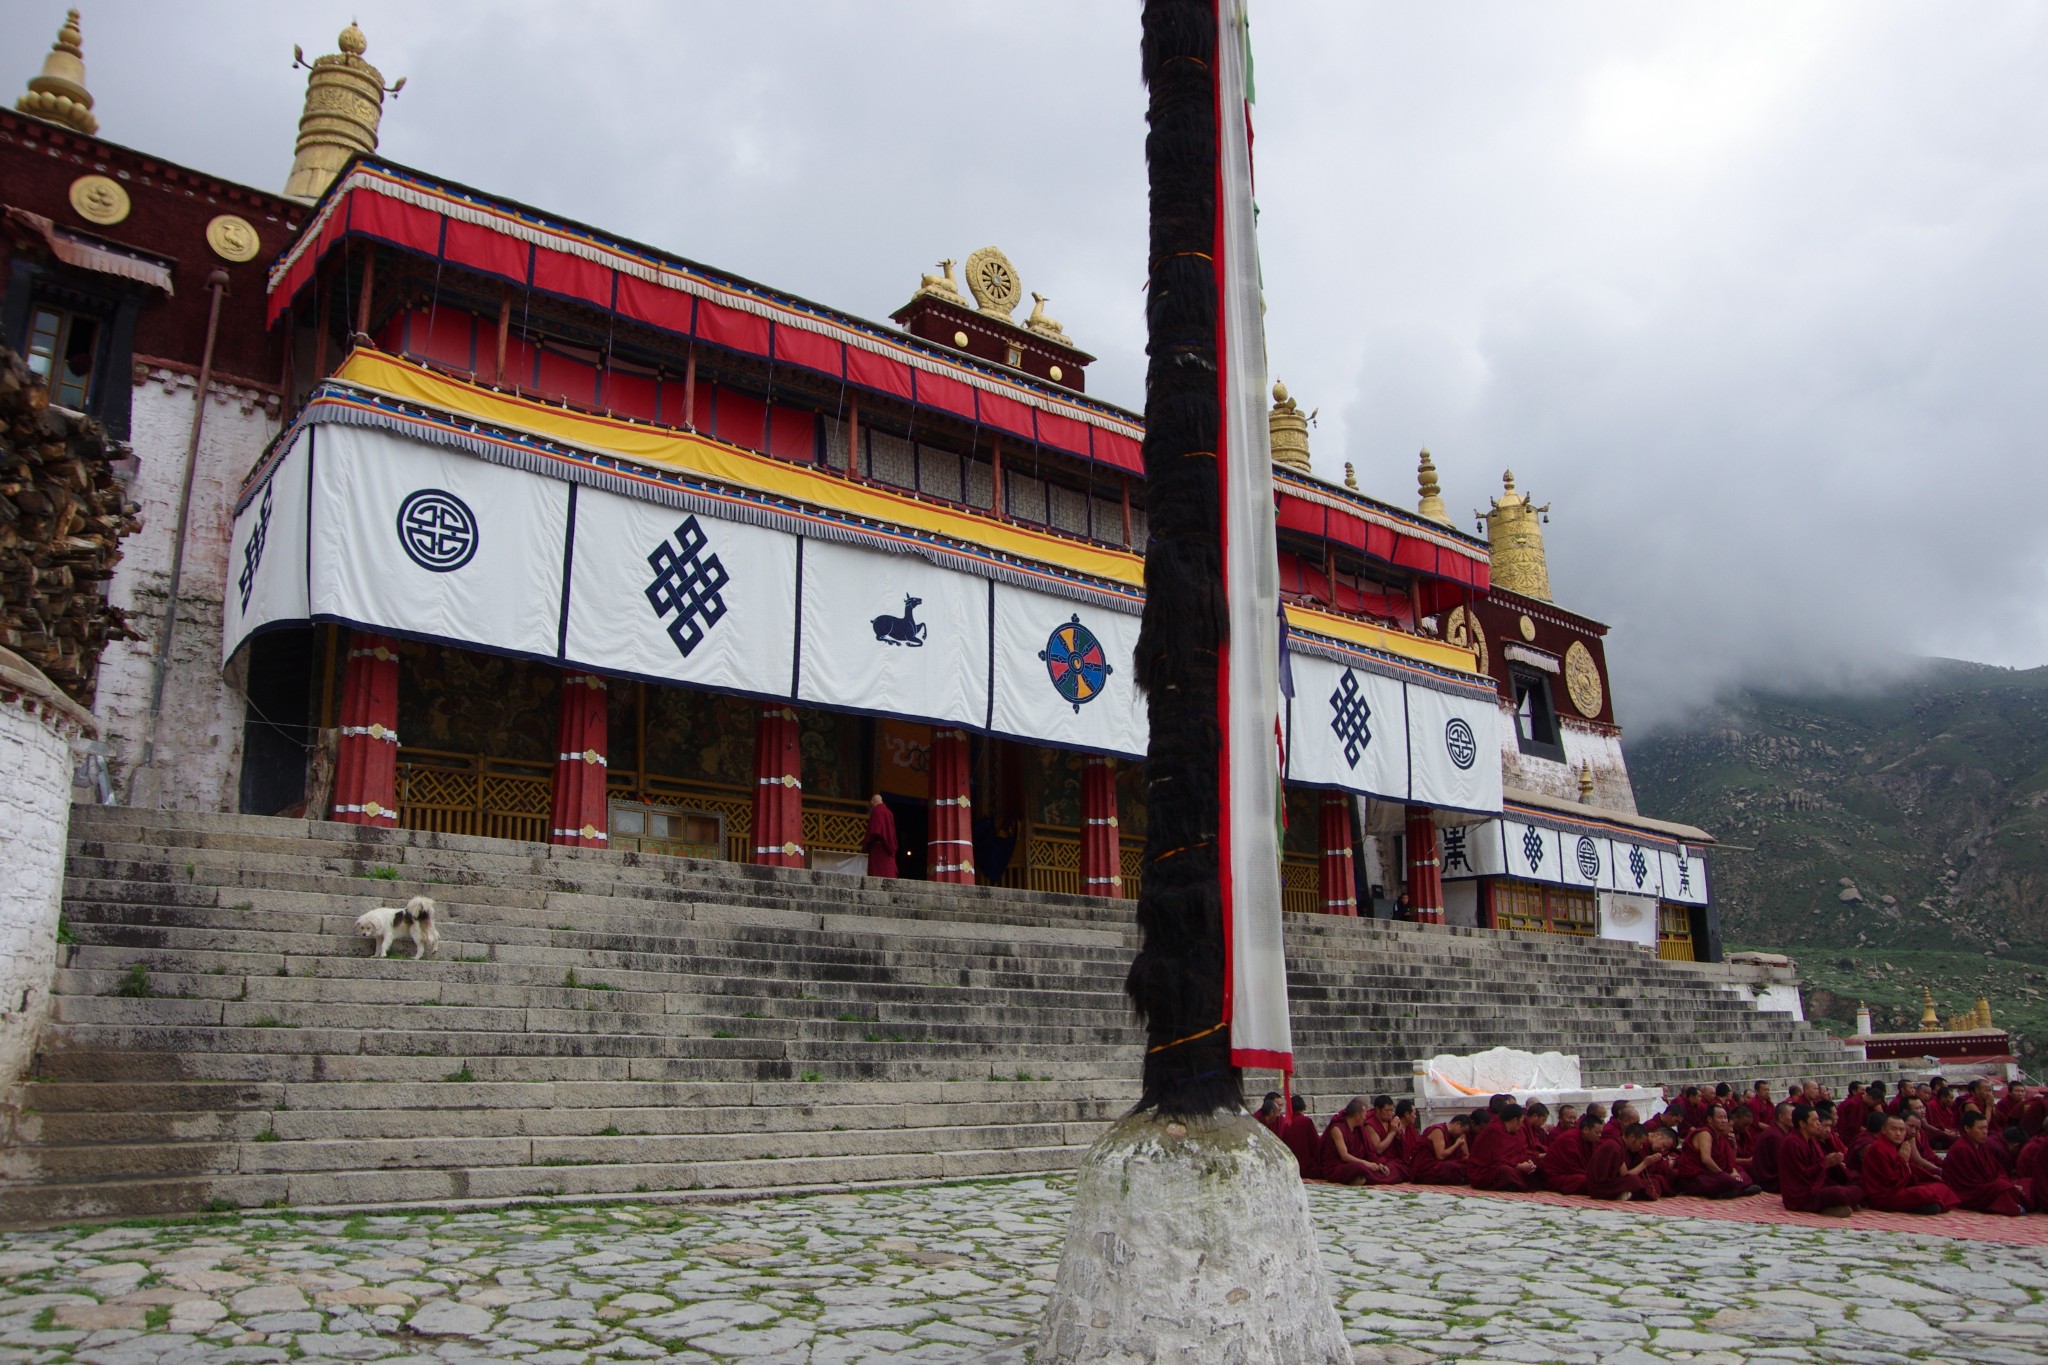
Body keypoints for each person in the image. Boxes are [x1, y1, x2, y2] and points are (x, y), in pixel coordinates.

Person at [1862, 1115, 1960, 1214]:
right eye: (1893, 1129)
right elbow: (1891, 1182)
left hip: (1900, 1187)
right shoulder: (1878, 1148)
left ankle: (1925, 1205)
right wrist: (1903, 1161)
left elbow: (1909, 1173)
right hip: (1883, 1196)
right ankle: (1924, 1205)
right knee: (1923, 1193)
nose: (1898, 1134)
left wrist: (1922, 1176)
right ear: (1883, 1130)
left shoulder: (1896, 1146)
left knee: (1939, 1186)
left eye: (1902, 1130)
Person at [1944, 1110, 2035, 1216]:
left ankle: (2014, 1201)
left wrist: (2008, 1183)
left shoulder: (1983, 1146)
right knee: (2003, 1187)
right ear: (1967, 1128)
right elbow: (1971, 1183)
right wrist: (2005, 1185)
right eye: (1980, 1128)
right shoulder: (1961, 1148)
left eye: (1986, 1128)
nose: (1985, 1132)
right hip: (1970, 1193)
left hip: (1988, 1187)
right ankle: (2014, 1205)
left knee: (2028, 1182)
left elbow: (1996, 1170)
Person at [1780, 1104, 1862, 1216]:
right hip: (1802, 1196)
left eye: (1818, 1120)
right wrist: (1826, 1163)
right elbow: (1803, 1173)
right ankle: (1824, 1207)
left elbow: (1820, 1168)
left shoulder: (1811, 1140)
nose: (1819, 1124)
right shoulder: (1792, 1143)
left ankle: (1834, 1205)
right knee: (1839, 1193)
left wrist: (1833, 1161)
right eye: (1815, 1120)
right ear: (1802, 1123)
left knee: (1857, 1187)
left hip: (1818, 1186)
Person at [1673, 1105, 1758, 1199]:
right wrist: (1724, 1174)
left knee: (1744, 1175)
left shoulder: (1721, 1136)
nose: (1724, 1121)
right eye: (1720, 1117)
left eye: (1725, 1117)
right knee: (1729, 1180)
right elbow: (1706, 1159)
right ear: (1710, 1119)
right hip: (1697, 1176)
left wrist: (1734, 1147)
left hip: (1713, 1174)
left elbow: (1731, 1162)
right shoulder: (1705, 1133)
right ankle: (1737, 1189)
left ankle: (1732, 1190)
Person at [1320, 1098, 1399, 1186]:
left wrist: (1377, 1164)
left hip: (1356, 1163)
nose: (1366, 1117)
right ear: (1357, 1115)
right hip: (1337, 1167)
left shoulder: (1359, 1129)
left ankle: (1363, 1178)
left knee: (1390, 1166)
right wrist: (1367, 1164)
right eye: (1364, 1114)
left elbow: (1369, 1153)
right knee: (1360, 1168)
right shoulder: (1337, 1129)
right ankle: (1373, 1178)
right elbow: (1344, 1156)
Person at [1470, 1102, 1540, 1191]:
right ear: (1515, 1120)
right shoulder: (1494, 1131)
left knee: (1536, 1168)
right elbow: (1496, 1159)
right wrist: (1519, 1166)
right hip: (1483, 1171)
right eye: (1521, 1122)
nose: (1522, 1125)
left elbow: (1517, 1153)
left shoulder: (1513, 1133)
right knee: (1506, 1172)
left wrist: (1527, 1162)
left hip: (1509, 1165)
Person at [1585, 1123, 1658, 1201]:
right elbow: (1605, 1178)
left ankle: (1621, 1193)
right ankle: (1617, 1194)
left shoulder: (1620, 1146)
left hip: (1605, 1185)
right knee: (1635, 1181)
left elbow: (1625, 1174)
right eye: (1641, 1143)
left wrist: (1645, 1163)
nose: (1641, 1147)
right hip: (1599, 1188)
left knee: (1636, 1181)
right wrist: (1644, 1163)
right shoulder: (1614, 1146)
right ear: (1632, 1137)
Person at [1541, 1113, 1601, 1195]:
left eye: (1601, 1133)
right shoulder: (1570, 1139)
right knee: (1587, 1181)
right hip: (1557, 1177)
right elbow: (1572, 1168)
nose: (1599, 1136)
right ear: (1586, 1130)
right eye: (1597, 1133)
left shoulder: (1589, 1141)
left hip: (1575, 1174)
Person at [1358, 1096, 1410, 1181]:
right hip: (1380, 1161)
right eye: (1387, 1110)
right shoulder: (1370, 1125)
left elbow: (1401, 1146)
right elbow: (1378, 1149)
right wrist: (1392, 1132)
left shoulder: (1391, 1121)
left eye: (1391, 1110)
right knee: (1389, 1170)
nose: (1390, 1113)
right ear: (1378, 1110)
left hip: (1394, 1160)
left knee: (1408, 1167)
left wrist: (1398, 1134)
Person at [1410, 1114, 1471, 1185]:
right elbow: (1440, 1156)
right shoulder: (1438, 1130)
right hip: (1426, 1167)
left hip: (1440, 1164)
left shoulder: (1455, 1135)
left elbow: (1465, 1155)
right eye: (1463, 1131)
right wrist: (1456, 1144)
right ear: (1458, 1124)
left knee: (1464, 1165)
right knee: (1450, 1166)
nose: (1463, 1134)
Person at [1749, 1101, 1794, 1193]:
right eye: (1792, 1115)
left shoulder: (1782, 1132)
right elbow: (1784, 1164)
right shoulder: (1774, 1136)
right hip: (1771, 1181)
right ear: (1781, 1117)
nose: (1796, 1119)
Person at [1280, 1095, 1322, 1178]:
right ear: (1304, 1107)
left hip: (1291, 1167)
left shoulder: (1285, 1123)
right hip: (1307, 1168)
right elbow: (1316, 1145)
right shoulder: (1306, 1121)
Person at [864, 794, 899, 878]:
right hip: (888, 845)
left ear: (872, 802)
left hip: (878, 847)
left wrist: (866, 844)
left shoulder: (876, 811)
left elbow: (874, 830)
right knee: (888, 871)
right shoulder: (889, 812)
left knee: (877, 872)